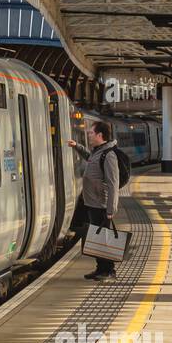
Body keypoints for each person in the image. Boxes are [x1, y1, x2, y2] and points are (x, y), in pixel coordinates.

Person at [68, 119, 121, 280]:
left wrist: (111, 209)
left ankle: (109, 270)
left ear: (100, 135)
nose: (89, 135)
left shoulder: (109, 155)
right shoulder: (98, 152)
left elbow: (113, 184)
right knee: (97, 238)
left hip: (101, 204)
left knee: (103, 239)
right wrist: (77, 146)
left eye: (91, 133)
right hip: (92, 203)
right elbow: (89, 157)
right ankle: (100, 268)